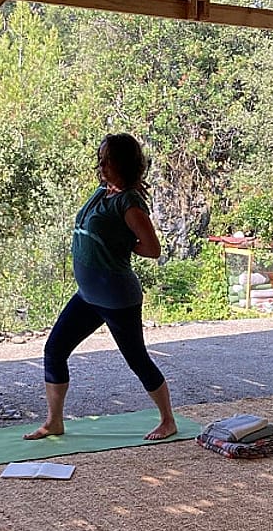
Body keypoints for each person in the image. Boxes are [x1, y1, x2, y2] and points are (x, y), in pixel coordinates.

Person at [25, 133, 177, 441]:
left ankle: (168, 421)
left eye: (107, 159)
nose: (101, 163)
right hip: (88, 295)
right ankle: (54, 422)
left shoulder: (129, 203)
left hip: (116, 298)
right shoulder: (103, 192)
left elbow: (152, 249)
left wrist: (122, 244)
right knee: (54, 350)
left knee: (137, 359)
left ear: (122, 162)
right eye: (100, 158)